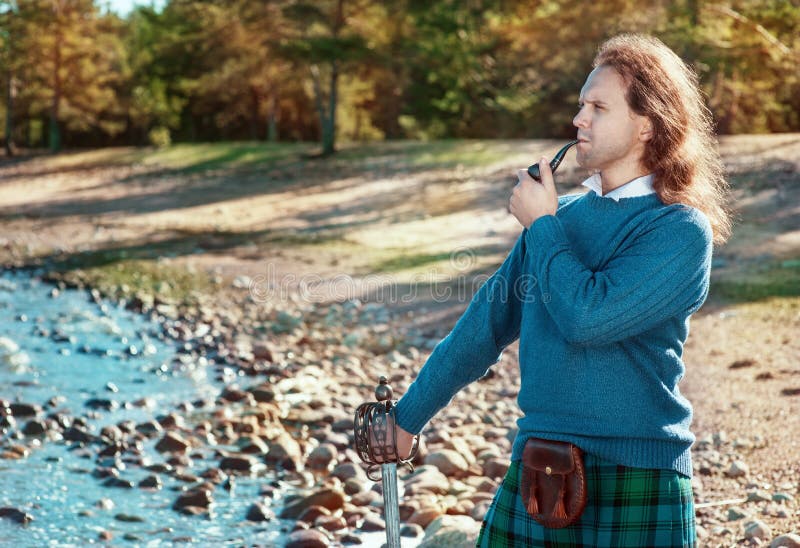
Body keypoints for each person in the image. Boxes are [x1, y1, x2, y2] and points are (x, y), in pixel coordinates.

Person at [373, 33, 732, 546]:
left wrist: (541, 226)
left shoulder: (679, 230)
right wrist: (407, 419)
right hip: (536, 463)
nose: (579, 119)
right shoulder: (562, 218)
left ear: (646, 125)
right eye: (581, 105)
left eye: (598, 107)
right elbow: (485, 326)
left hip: (639, 473)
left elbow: (588, 318)